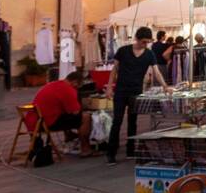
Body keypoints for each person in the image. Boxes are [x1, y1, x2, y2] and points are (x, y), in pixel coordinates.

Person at [104, 26, 170, 165]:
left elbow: (156, 71)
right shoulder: (123, 51)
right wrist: (109, 88)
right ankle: (111, 153)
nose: (145, 45)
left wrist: (165, 86)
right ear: (137, 39)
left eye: (147, 42)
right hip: (121, 91)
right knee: (117, 121)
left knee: (132, 122)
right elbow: (114, 70)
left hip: (136, 91)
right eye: (143, 42)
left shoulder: (149, 54)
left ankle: (130, 150)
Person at [27, 70, 91, 154]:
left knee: (66, 115)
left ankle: (69, 137)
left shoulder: (54, 84)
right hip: (46, 123)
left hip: (34, 122)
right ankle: (86, 149)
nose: (78, 88)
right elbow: (75, 112)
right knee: (86, 117)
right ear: (75, 82)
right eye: (79, 86)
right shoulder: (68, 89)